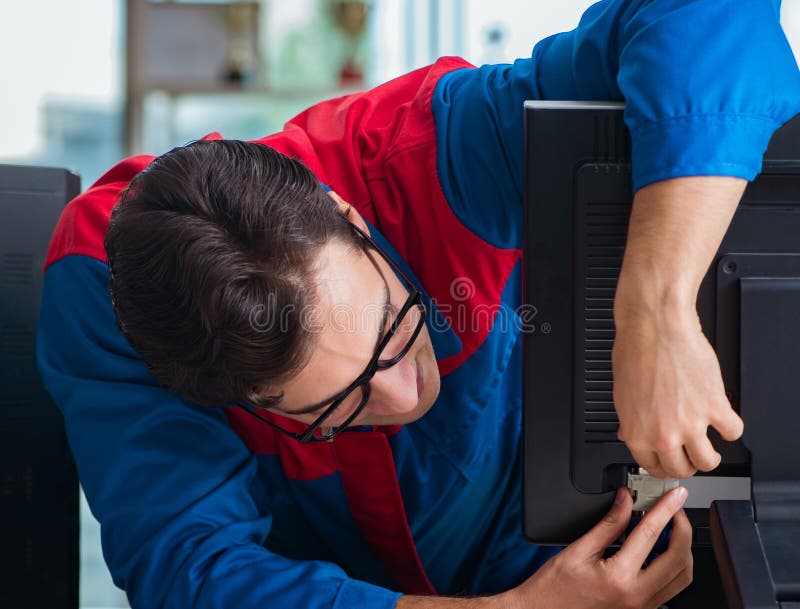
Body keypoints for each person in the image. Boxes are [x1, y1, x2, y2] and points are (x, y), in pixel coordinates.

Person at [37, 1, 800, 608]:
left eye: (397, 330)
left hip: (573, 546)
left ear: (350, 217)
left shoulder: (427, 151)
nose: (404, 395)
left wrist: (655, 312)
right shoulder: (103, 297)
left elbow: (712, 9)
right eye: (334, 406)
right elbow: (190, 570)